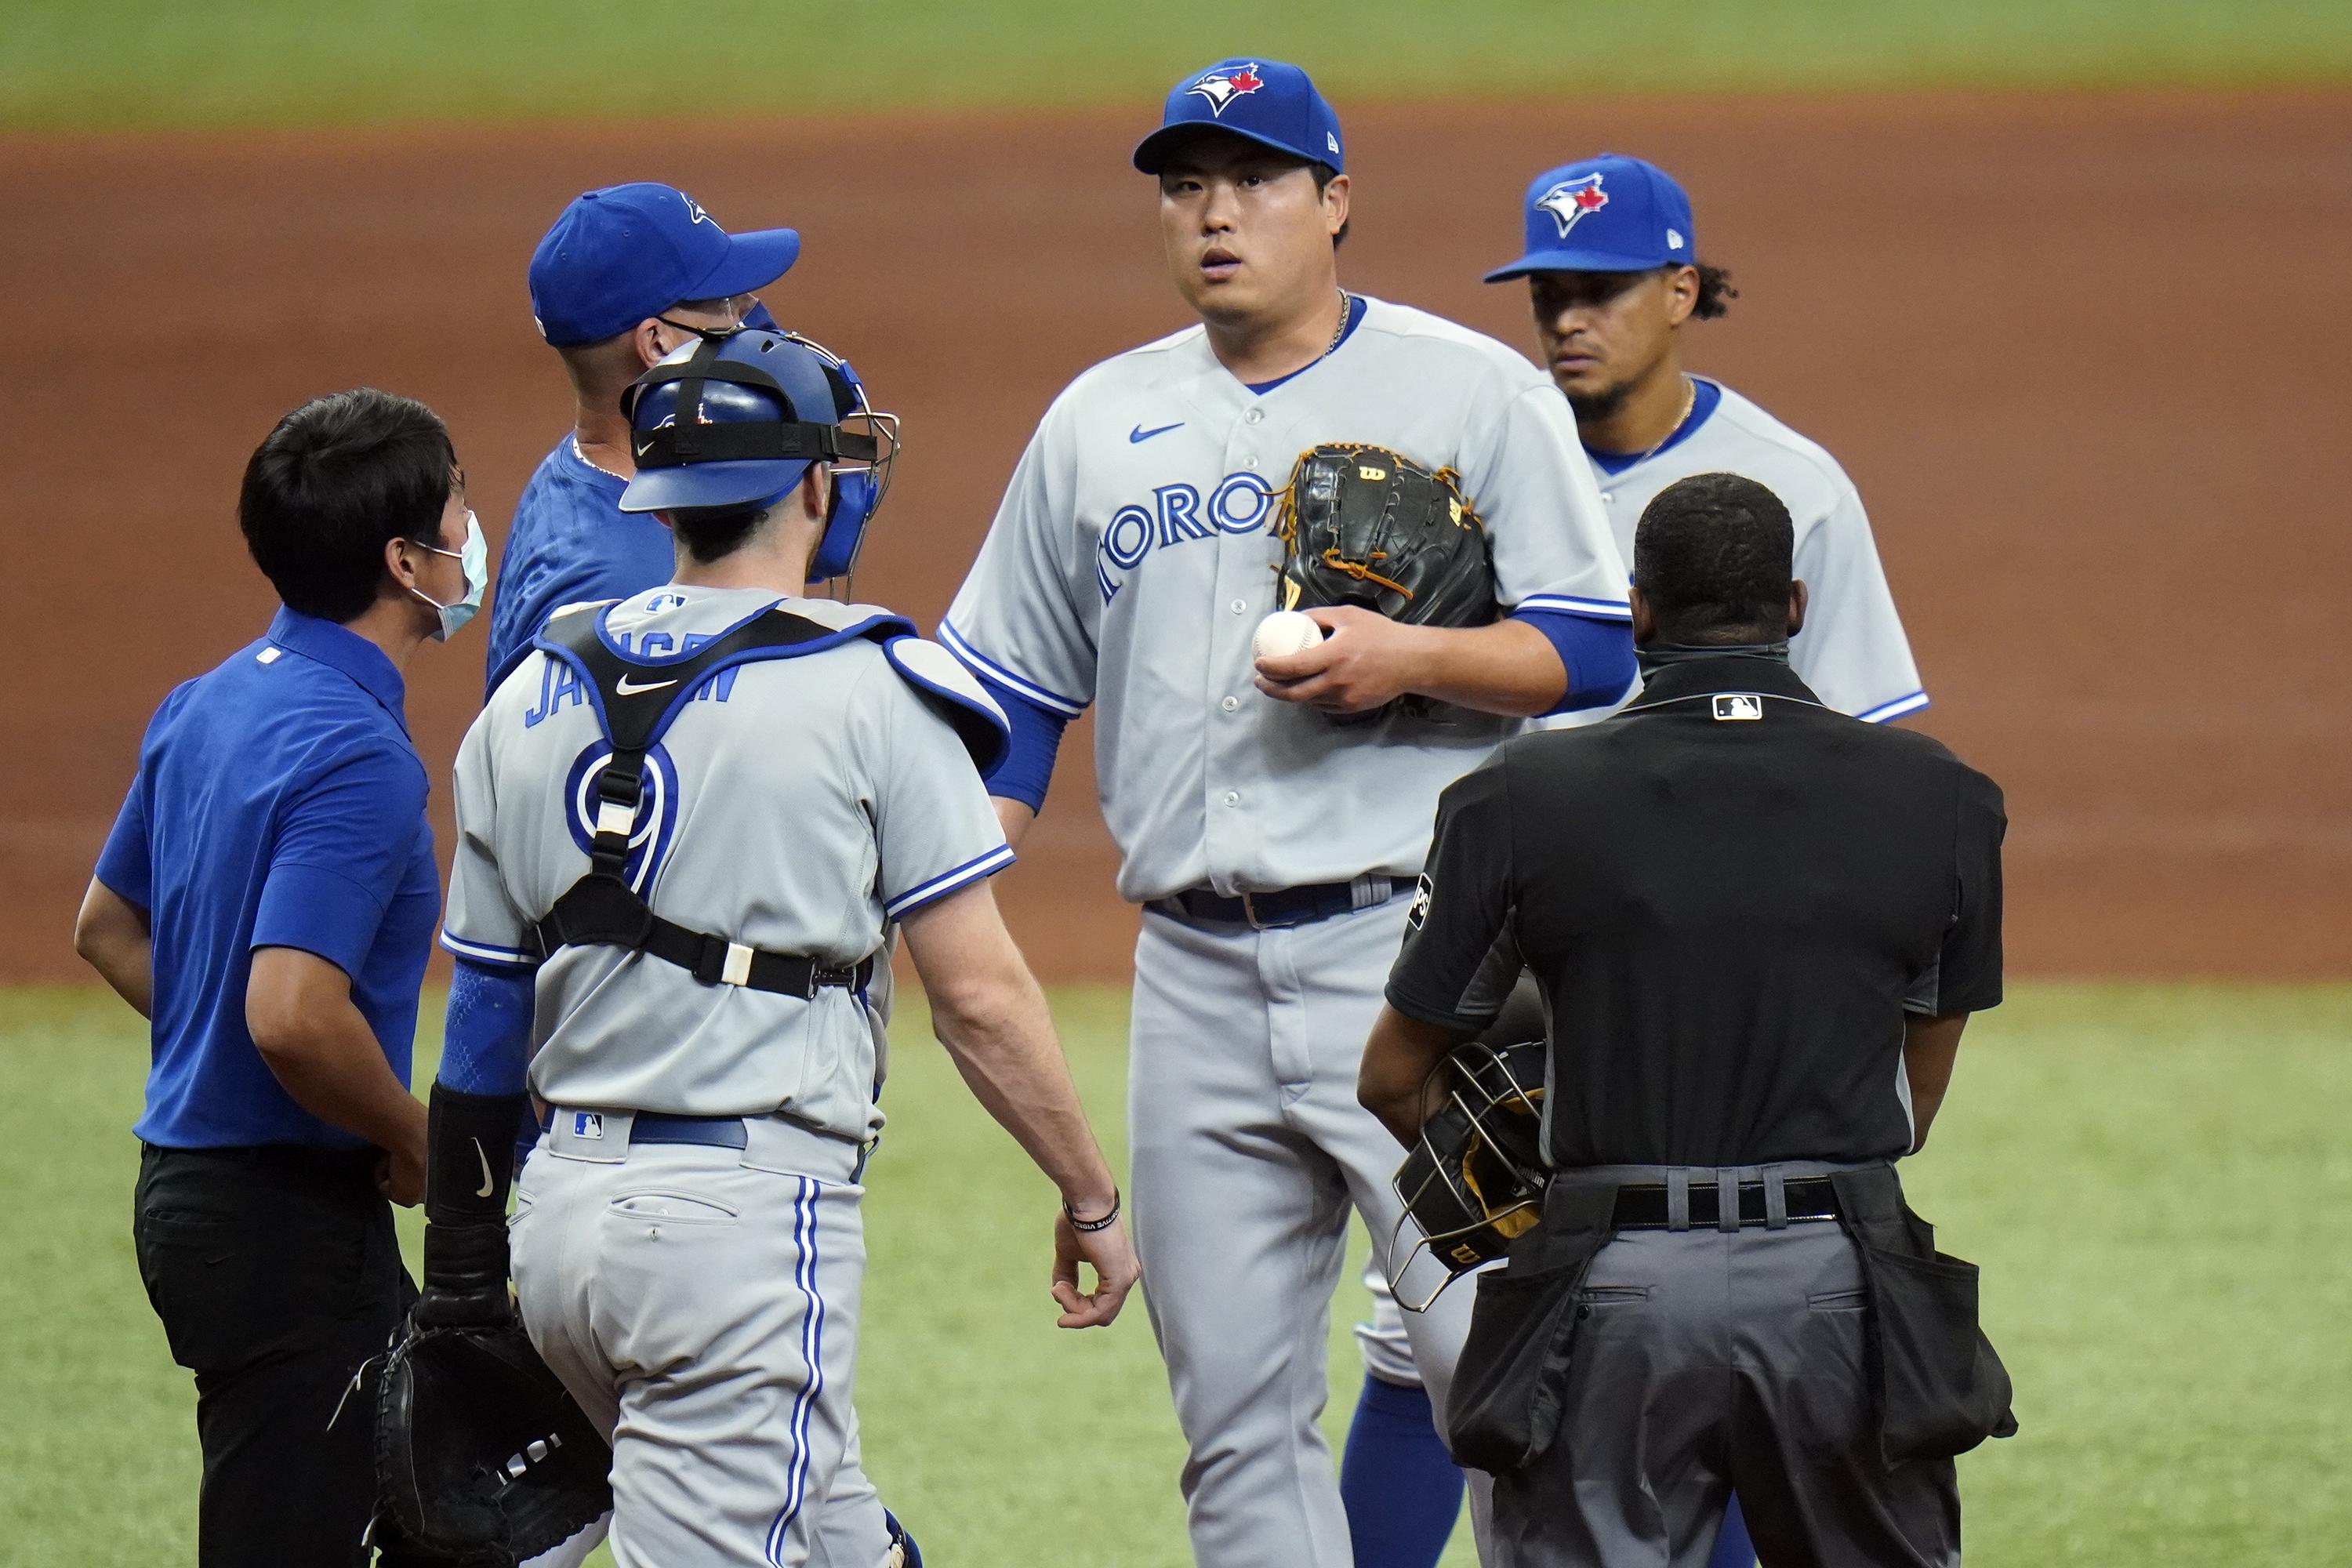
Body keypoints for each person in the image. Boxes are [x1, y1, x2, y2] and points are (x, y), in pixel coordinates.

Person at [938, 57, 1634, 1568]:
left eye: (1252, 180)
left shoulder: (1473, 393)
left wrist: (1413, 657)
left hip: (1430, 973)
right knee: (1237, 1435)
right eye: (1185, 184)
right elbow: (1007, 690)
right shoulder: (1096, 420)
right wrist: (964, 837)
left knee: (1508, 1394)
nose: (1213, 215)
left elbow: (1592, 646)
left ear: (1334, 203)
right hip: (1189, 984)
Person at [423, 325, 1139, 1566]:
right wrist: (1091, 1196)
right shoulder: (870, 688)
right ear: (818, 487)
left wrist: (461, 1280)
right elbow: (977, 998)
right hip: (734, 1237)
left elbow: (483, 1030)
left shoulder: (525, 699)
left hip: (560, 1236)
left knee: (838, 1541)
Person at [1341, 150, 1935, 1568]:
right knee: (1433, 1315)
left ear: (1682, 289)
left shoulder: (1792, 486)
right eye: (1548, 291)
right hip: (1511, 958)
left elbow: (1867, 761)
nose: (1567, 318)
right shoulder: (1477, 456)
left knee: (1701, 1311)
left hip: (1718, 980)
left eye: (1601, 290)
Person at [1359, 471, 2012, 1567]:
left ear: (1640, 610)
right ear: (1795, 607)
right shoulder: (1945, 798)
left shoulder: (1516, 795)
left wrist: (1537, 1193)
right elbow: (1919, 1093)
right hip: (1838, 1281)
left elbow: (1391, 1079)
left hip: (1610, 1284)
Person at [73, 389, 484, 1566]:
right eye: (460, 502)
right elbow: (294, 1018)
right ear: (406, 560)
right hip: (284, 1225)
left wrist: (219, 1045)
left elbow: (108, 929)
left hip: (201, 1202)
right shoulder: (357, 753)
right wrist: (412, 1139)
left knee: (430, 1517)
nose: (475, 523)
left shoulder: (206, 701)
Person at [485, 181, 800, 696]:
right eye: (723, 305)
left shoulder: (587, 475)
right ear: (657, 344)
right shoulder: (625, 588)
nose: (748, 318)